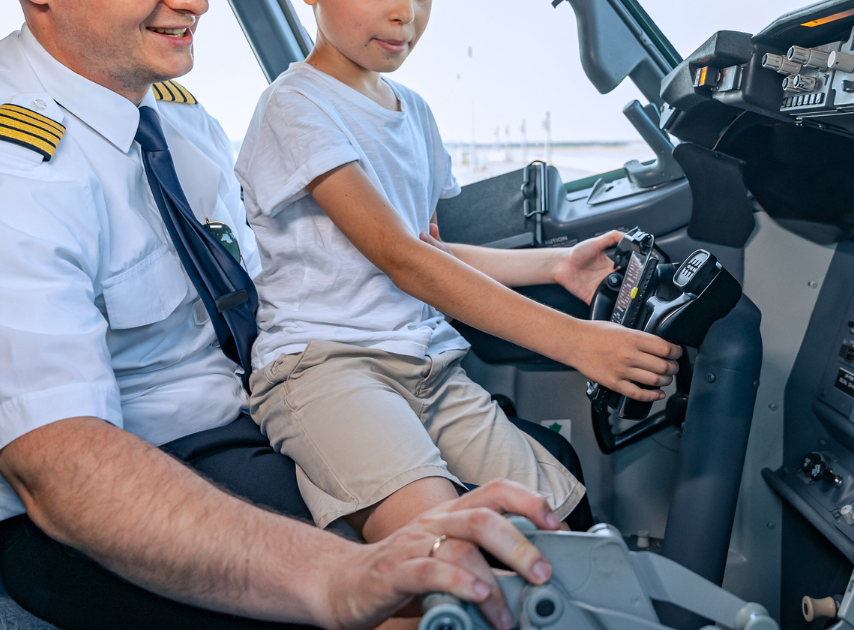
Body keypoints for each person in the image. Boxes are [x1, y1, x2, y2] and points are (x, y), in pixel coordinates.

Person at [0, 1, 571, 629]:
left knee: (545, 495)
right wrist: (341, 576)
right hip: (114, 501)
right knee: (458, 591)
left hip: (249, 416)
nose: (196, 4)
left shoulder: (173, 113)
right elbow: (61, 471)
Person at [235, 0, 683, 544]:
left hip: (428, 368)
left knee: (561, 532)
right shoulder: (295, 105)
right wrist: (578, 342)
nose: (405, 13)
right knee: (443, 553)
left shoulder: (415, 112)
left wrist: (557, 264)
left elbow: (430, 252)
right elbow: (403, 258)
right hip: (327, 366)